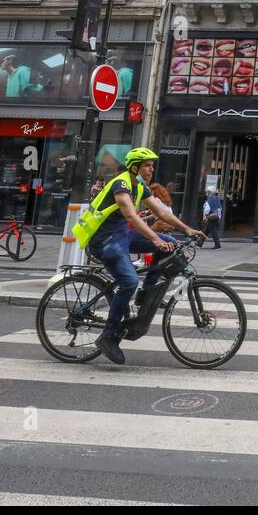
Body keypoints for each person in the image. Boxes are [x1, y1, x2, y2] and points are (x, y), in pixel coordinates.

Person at [71, 148, 203, 365]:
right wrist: (154, 238)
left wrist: (187, 229)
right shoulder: (121, 184)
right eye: (147, 165)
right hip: (104, 240)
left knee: (170, 244)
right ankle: (108, 336)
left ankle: (147, 292)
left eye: (152, 165)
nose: (151, 169)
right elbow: (131, 214)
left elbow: (161, 212)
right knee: (129, 281)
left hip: (121, 235)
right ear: (135, 167)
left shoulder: (139, 185)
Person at [202, 185, 223, 250]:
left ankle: (218, 245)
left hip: (211, 216)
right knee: (206, 230)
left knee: (213, 231)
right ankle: (199, 243)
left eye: (207, 191)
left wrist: (205, 215)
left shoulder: (210, 198)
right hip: (215, 216)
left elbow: (207, 208)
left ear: (210, 192)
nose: (206, 193)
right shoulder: (216, 197)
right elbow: (220, 208)